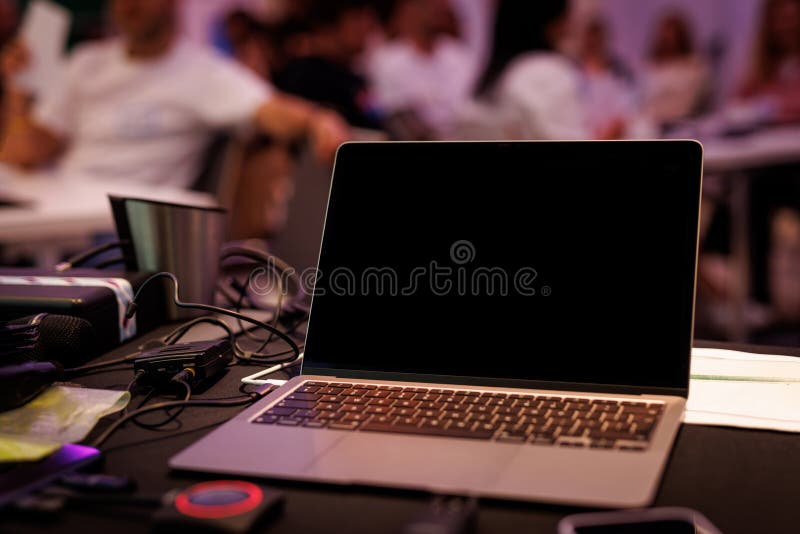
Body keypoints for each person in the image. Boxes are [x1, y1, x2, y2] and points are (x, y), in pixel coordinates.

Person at [0, 0, 348, 188]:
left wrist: (319, 119)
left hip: (116, 231)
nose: (127, 4)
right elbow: (27, 151)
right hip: (56, 208)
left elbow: (268, 109)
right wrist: (16, 86)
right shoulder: (85, 62)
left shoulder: (202, 71)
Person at [467, 0, 592, 140]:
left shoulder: (490, 82)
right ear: (552, 23)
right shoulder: (550, 73)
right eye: (566, 17)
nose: (571, 25)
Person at [366, 0, 491, 138]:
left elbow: (471, 107)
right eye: (429, 4)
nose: (438, 8)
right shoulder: (386, 60)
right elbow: (392, 115)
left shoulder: (458, 56)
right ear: (409, 8)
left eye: (442, 4)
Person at [273, 0, 382, 130]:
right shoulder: (302, 78)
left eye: (368, 18)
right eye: (356, 18)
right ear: (327, 26)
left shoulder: (352, 77)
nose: (367, 26)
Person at [640, 12, 710, 128]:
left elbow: (686, 105)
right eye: (664, 35)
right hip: (650, 124)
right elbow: (642, 100)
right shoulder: (651, 67)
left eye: (672, 35)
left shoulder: (694, 66)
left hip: (679, 125)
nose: (668, 39)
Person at [739, 0, 800, 124]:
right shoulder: (760, 65)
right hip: (764, 138)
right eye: (782, 19)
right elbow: (739, 103)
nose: (789, 25)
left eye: (795, 18)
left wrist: (772, 105)